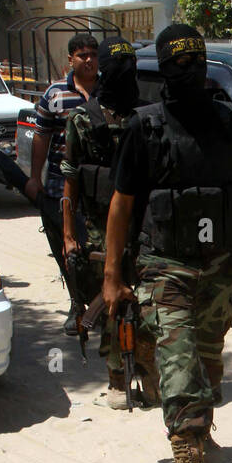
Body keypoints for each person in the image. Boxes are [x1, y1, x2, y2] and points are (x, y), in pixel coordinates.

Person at [103, 23, 232, 463]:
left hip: (221, 266)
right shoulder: (146, 128)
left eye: (197, 61)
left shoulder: (230, 124)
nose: (190, 71)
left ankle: (200, 428)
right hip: (165, 263)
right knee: (179, 355)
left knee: (207, 356)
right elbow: (122, 204)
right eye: (179, 63)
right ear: (163, 69)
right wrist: (111, 275)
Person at [61, 37, 158, 408]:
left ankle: (150, 378)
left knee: (148, 306)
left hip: (144, 225)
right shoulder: (84, 119)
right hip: (101, 228)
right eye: (119, 67)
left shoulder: (146, 117)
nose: (126, 74)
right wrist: (69, 235)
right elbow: (69, 181)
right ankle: (117, 379)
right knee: (110, 303)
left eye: (131, 66)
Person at [28, 32, 99, 334]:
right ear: (70, 59)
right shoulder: (55, 94)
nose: (89, 59)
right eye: (82, 54)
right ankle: (76, 304)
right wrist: (34, 177)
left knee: (95, 247)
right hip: (60, 185)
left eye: (93, 53)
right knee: (66, 249)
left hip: (98, 187)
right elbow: (41, 138)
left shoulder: (106, 90)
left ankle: (100, 301)